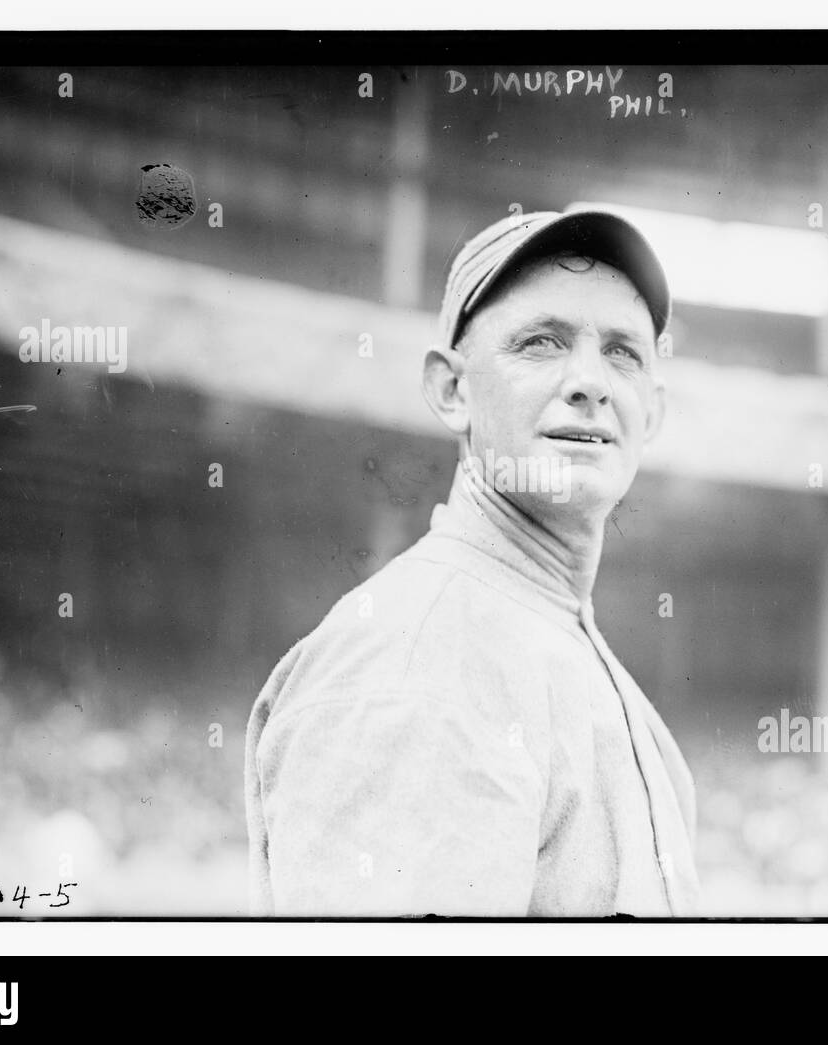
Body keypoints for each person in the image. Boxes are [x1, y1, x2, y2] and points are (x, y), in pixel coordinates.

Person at [244, 207, 700, 916]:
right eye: (541, 342)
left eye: (623, 353)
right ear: (452, 390)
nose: (590, 381)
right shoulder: (414, 656)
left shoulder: (568, 649)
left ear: (654, 410)